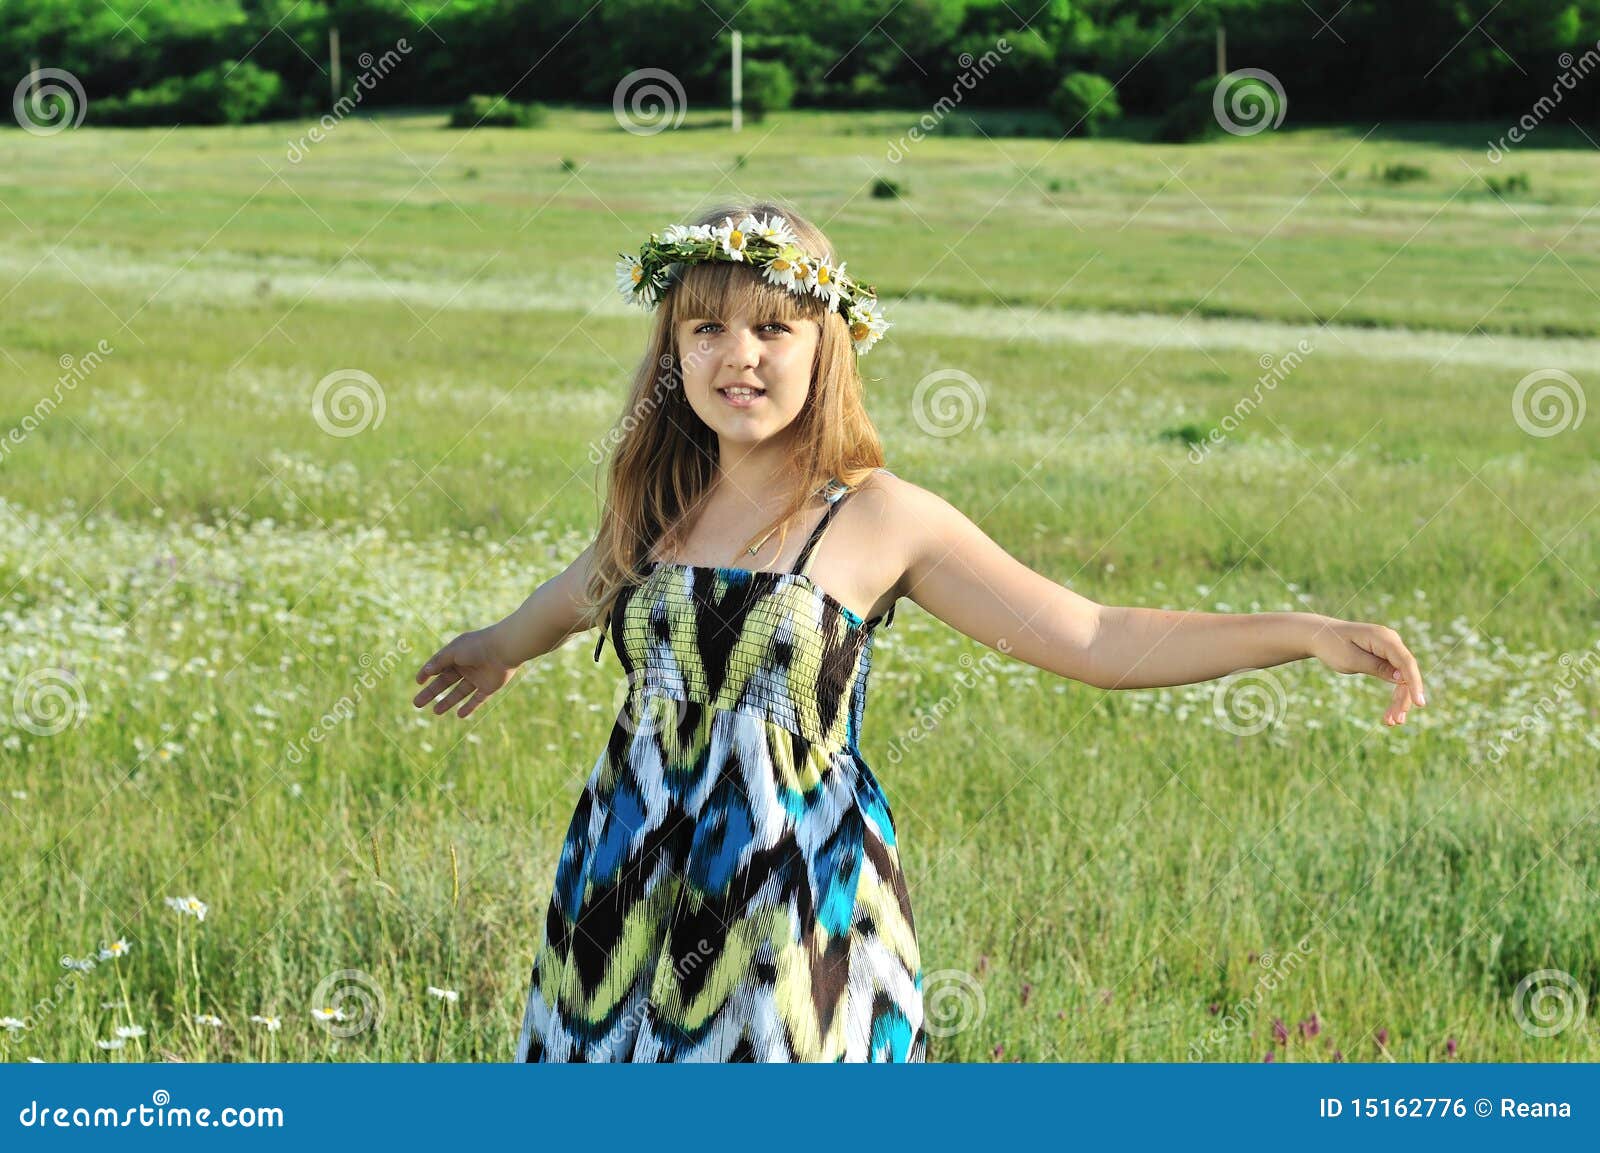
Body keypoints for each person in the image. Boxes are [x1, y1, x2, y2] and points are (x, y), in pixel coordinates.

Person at [411, 199, 1427, 1062]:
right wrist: (495, 648)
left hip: (792, 895)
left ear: (826, 344)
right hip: (622, 880)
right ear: (673, 350)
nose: (738, 356)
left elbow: (1096, 636)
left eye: (773, 329)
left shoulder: (879, 516)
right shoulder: (659, 503)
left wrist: (1301, 632)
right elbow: (570, 597)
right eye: (706, 329)